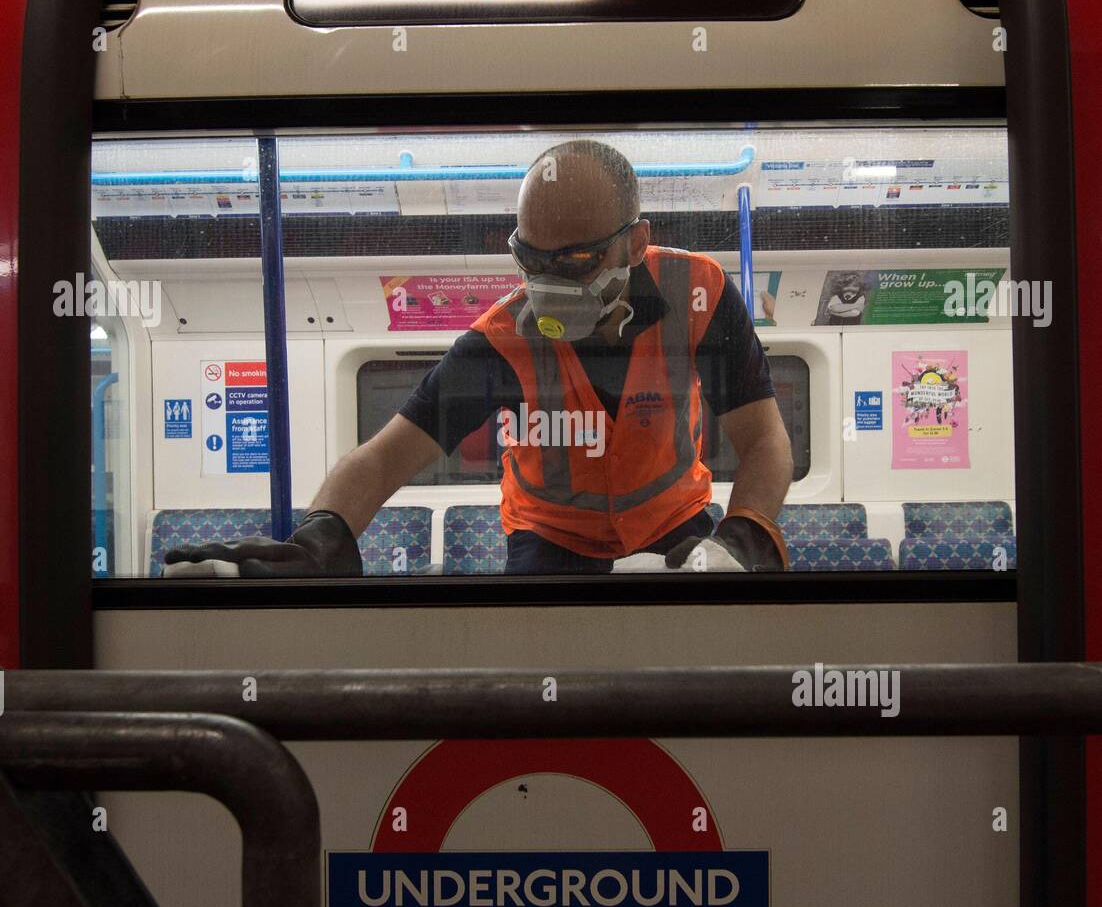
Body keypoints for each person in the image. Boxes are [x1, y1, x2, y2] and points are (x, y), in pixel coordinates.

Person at [166, 139, 794, 578]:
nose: (548, 282)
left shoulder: (699, 296)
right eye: (532, 260)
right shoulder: (500, 341)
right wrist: (320, 537)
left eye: (573, 261)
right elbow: (383, 459)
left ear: (634, 243)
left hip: (675, 526)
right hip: (550, 541)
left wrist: (743, 535)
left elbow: (765, 442)